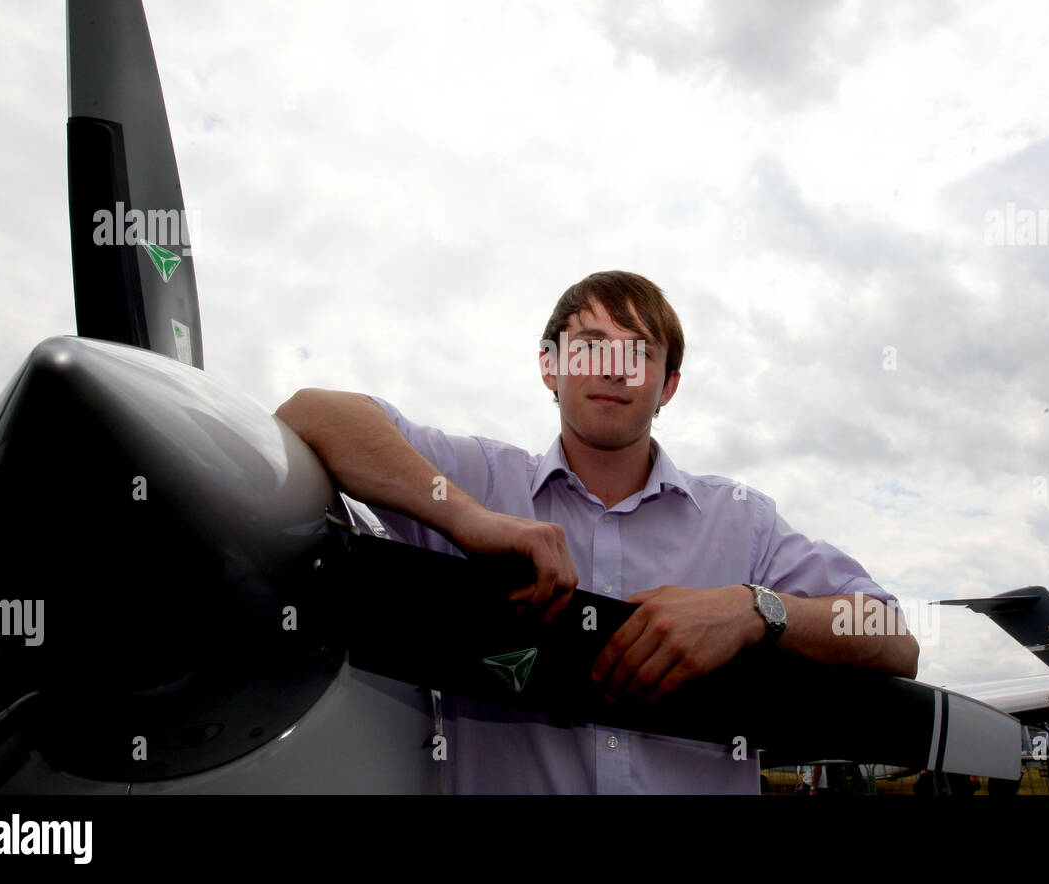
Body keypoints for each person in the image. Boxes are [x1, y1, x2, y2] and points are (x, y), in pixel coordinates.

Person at [275, 271, 917, 793]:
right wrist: (470, 521)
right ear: (549, 368)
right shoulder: (472, 480)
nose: (614, 369)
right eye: (590, 346)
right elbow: (310, 414)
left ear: (667, 386)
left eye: (639, 353)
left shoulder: (742, 520)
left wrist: (756, 609)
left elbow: (894, 639)